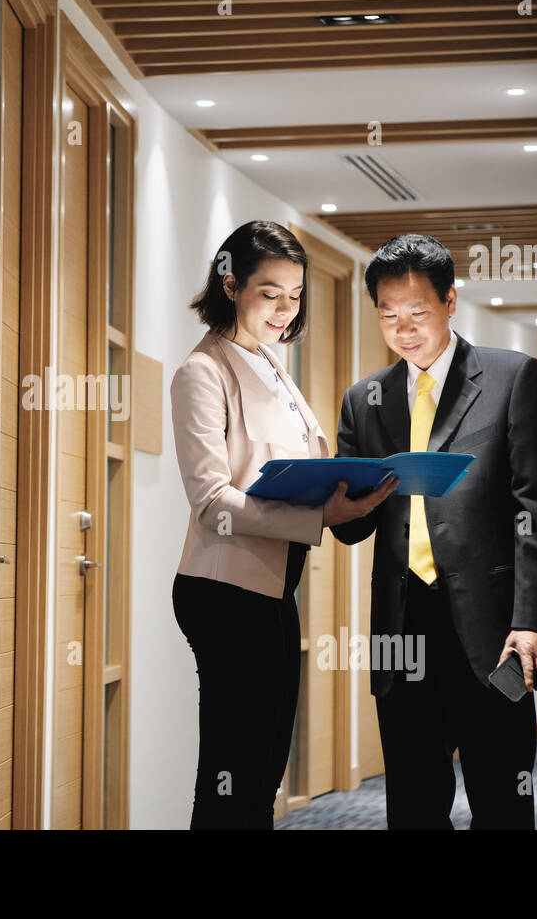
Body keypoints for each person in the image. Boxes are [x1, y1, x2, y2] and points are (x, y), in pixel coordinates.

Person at [330, 233, 537, 829]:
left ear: (450, 301)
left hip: (492, 629)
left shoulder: (512, 377)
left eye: (418, 312)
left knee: (502, 798)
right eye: (388, 314)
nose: (403, 329)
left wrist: (535, 620)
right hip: (401, 628)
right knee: (411, 803)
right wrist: (335, 504)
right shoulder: (365, 401)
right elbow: (354, 533)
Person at [170, 220, 398, 829]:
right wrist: (317, 513)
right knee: (232, 769)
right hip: (223, 590)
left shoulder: (271, 365)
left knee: (262, 767)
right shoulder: (204, 371)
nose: (284, 308)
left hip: (271, 589)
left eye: (295, 295)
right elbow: (212, 500)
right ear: (230, 283)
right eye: (269, 292)